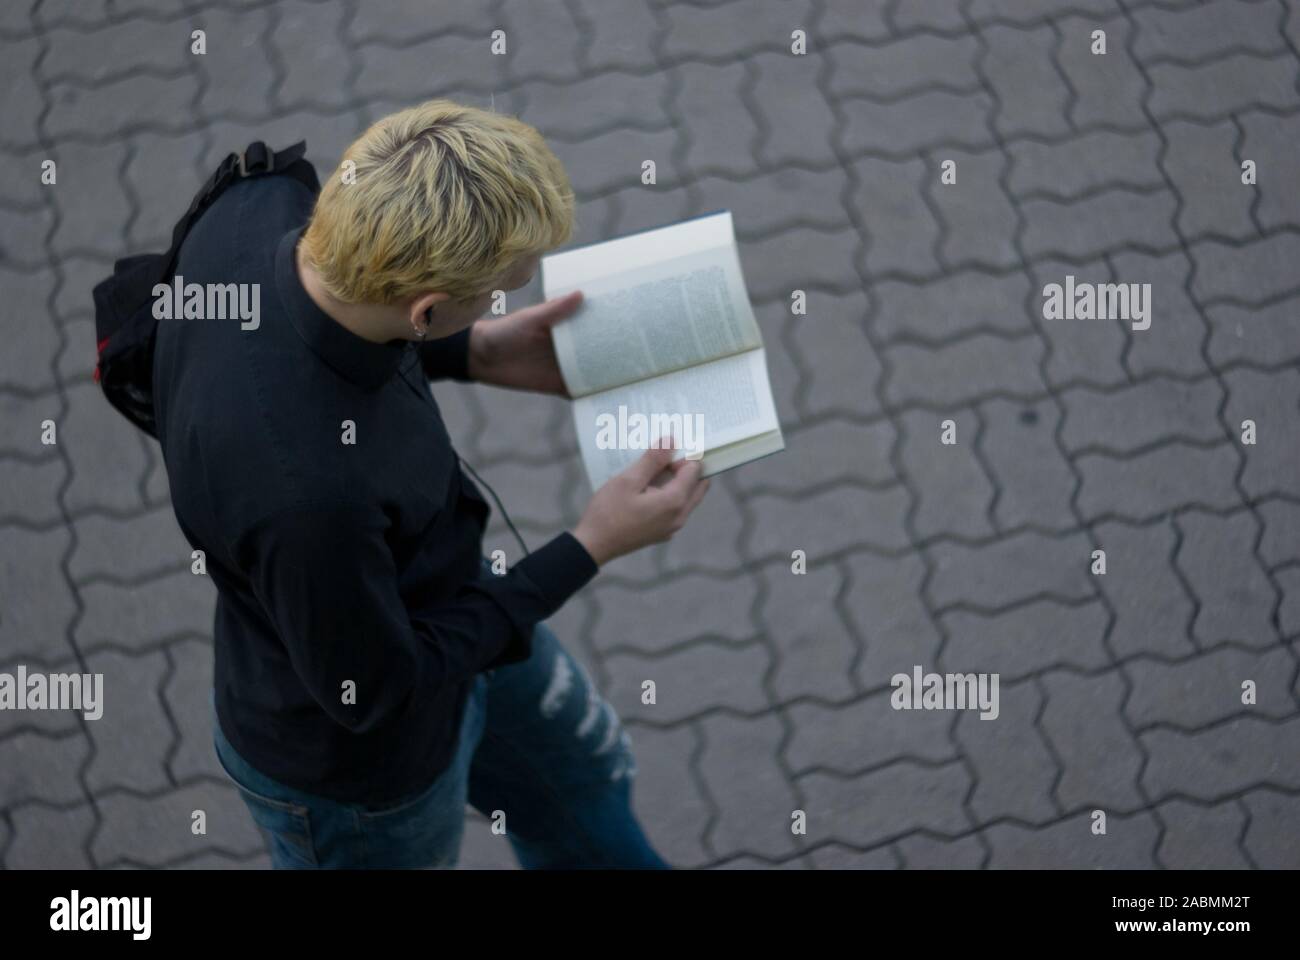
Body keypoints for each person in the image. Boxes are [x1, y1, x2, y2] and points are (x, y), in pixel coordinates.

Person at [151, 99, 711, 868]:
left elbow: (327, 324)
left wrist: (476, 349)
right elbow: (379, 688)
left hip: (455, 614)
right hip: (366, 776)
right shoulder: (312, 499)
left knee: (588, 792)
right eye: (495, 295)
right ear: (426, 308)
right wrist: (591, 546)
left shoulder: (260, 208)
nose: (502, 302)